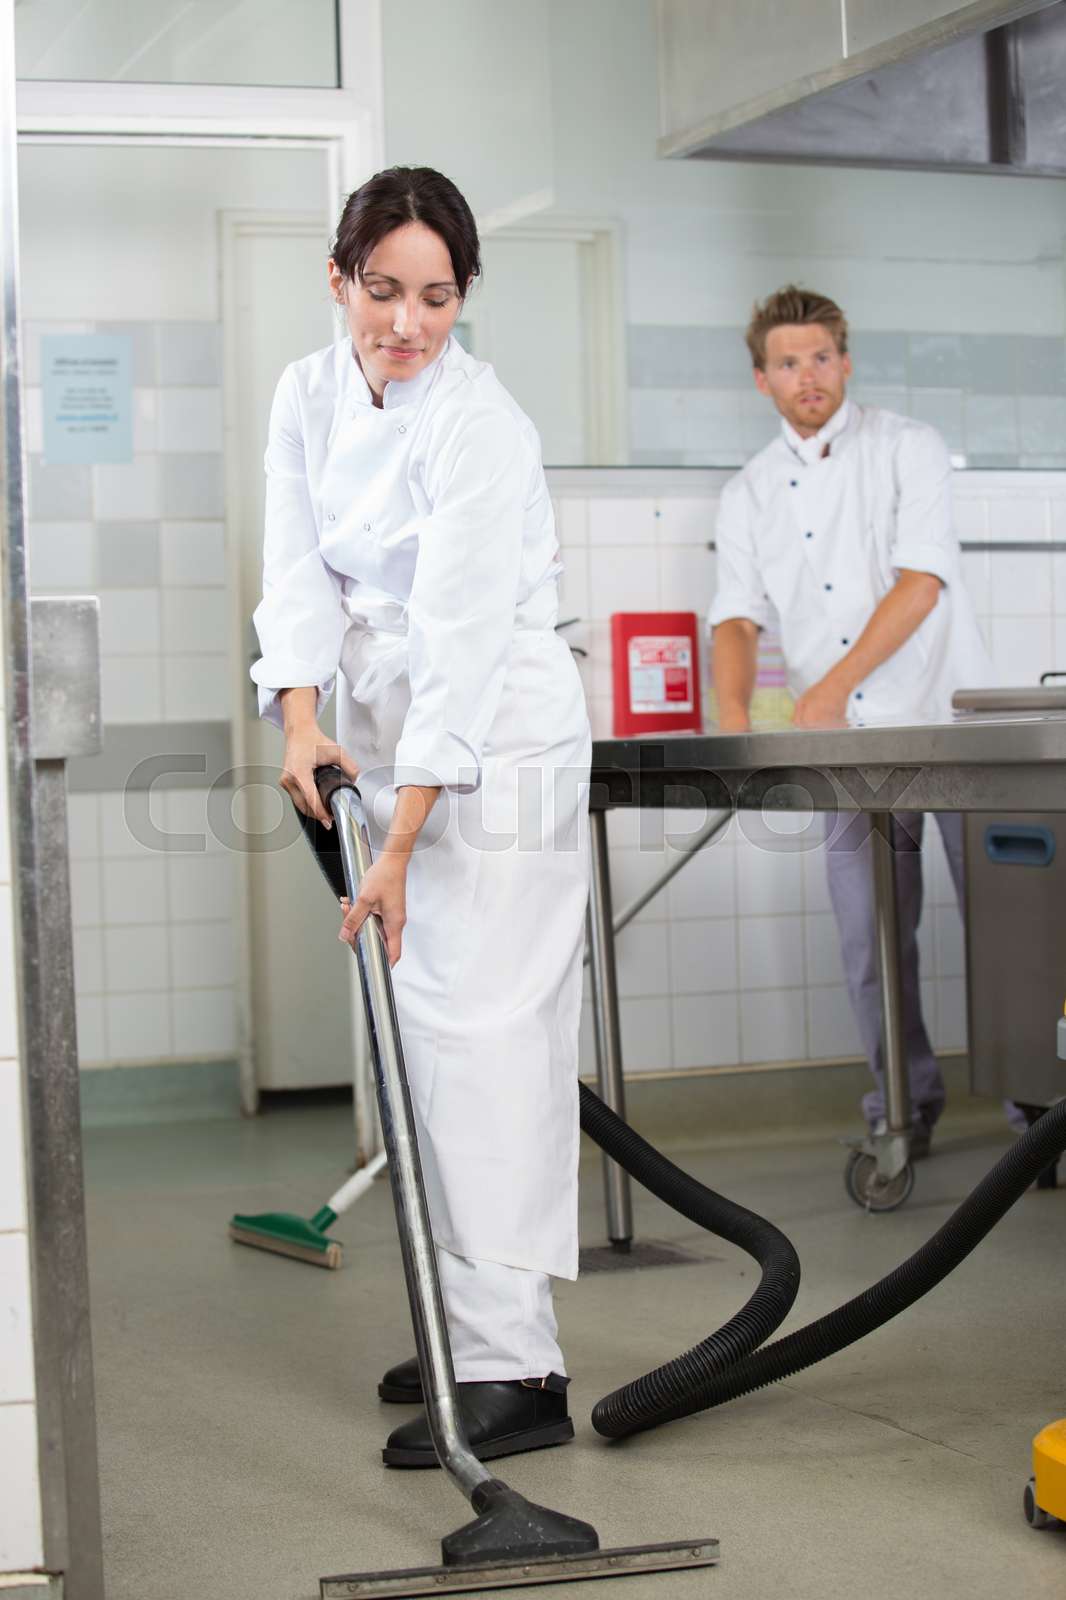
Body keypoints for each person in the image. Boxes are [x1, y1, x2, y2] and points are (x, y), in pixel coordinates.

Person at [250, 166, 591, 1466]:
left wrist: (393, 845)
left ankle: (519, 1370)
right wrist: (298, 721)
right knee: (419, 1041)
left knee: (483, 1041)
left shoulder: (477, 423)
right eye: (382, 291)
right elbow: (295, 574)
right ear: (338, 281)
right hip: (392, 740)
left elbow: (455, 638)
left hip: (495, 738)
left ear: (463, 297)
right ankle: (465, 1329)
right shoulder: (305, 392)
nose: (407, 322)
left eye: (436, 297)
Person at [708, 284, 1008, 1154]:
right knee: (870, 942)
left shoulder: (909, 449)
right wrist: (734, 726)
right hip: (850, 752)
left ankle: (1039, 1117)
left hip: (954, 726)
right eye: (789, 362)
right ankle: (902, 1115)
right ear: (762, 380)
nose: (810, 375)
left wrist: (828, 690)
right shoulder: (750, 492)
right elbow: (735, 618)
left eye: (823, 357)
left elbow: (921, 582)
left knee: (1007, 928)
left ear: (847, 361)